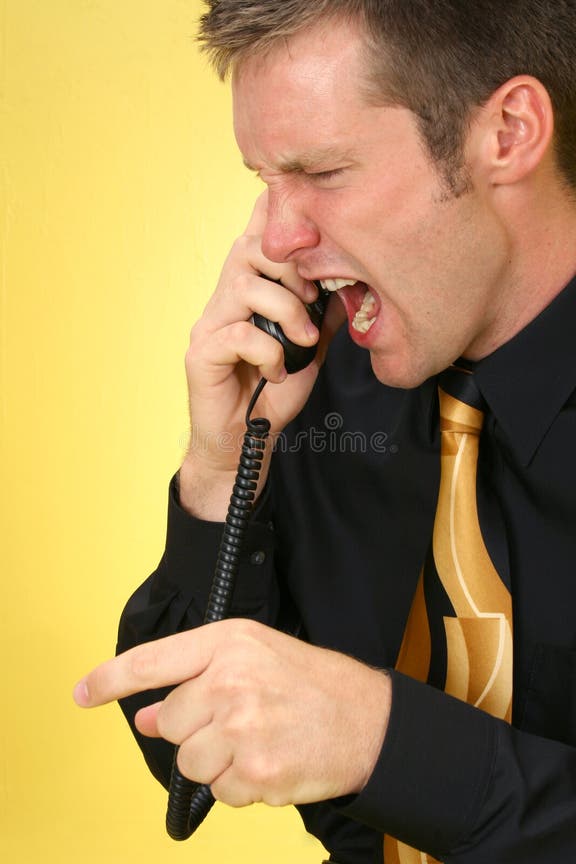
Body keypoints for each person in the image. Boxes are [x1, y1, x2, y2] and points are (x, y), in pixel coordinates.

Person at [73, 1, 576, 862]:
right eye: (266, 180)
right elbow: (182, 756)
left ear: (508, 132)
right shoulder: (320, 383)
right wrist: (221, 470)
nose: (278, 238)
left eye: (324, 173)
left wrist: (388, 743)